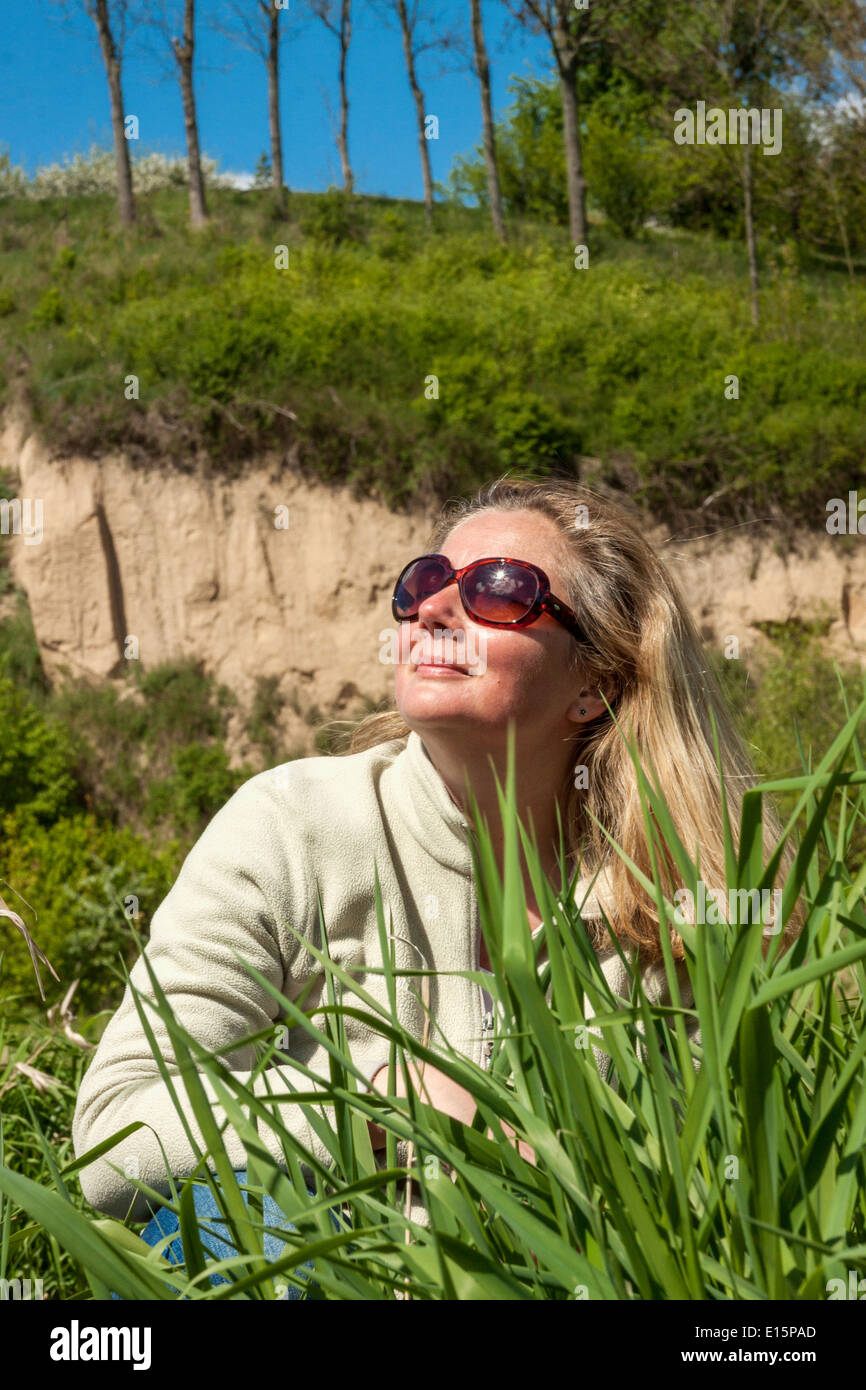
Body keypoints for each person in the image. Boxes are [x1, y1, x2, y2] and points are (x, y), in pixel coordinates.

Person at [73, 474, 798, 1292]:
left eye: (498, 590)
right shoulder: (290, 825)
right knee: (219, 1215)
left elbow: (710, 1191)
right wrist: (388, 1099)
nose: (432, 610)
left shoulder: (671, 898)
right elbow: (113, 1135)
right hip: (322, 1269)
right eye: (424, 582)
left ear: (594, 685)